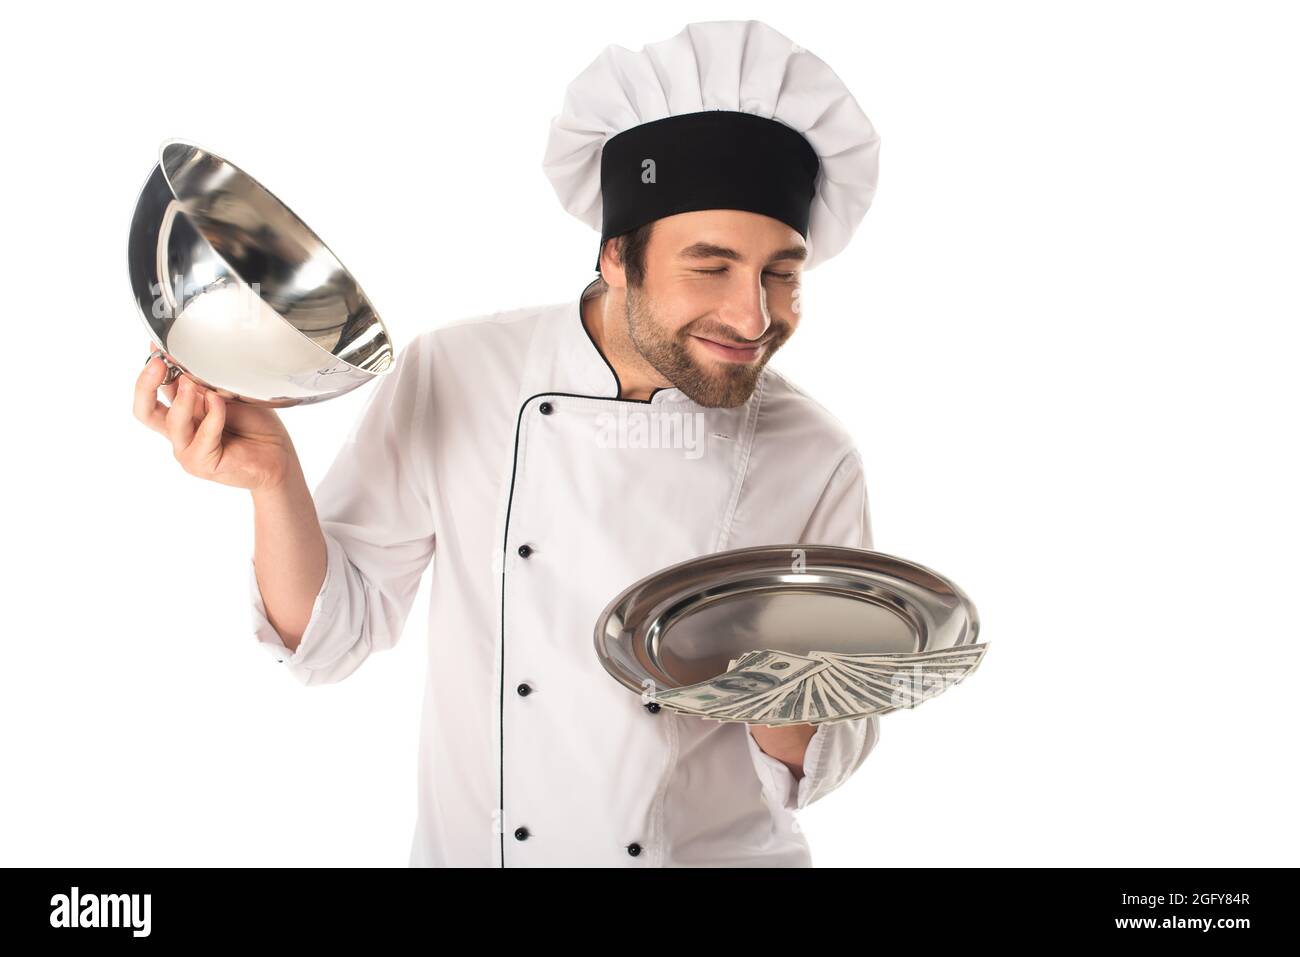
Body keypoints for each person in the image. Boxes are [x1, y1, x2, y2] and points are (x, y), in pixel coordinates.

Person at [132, 19, 884, 867]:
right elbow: (331, 633)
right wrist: (273, 480)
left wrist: (749, 660)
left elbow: (827, 752)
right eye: (709, 268)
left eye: (781, 273)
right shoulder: (460, 372)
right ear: (617, 260)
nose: (754, 316)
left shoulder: (815, 453)